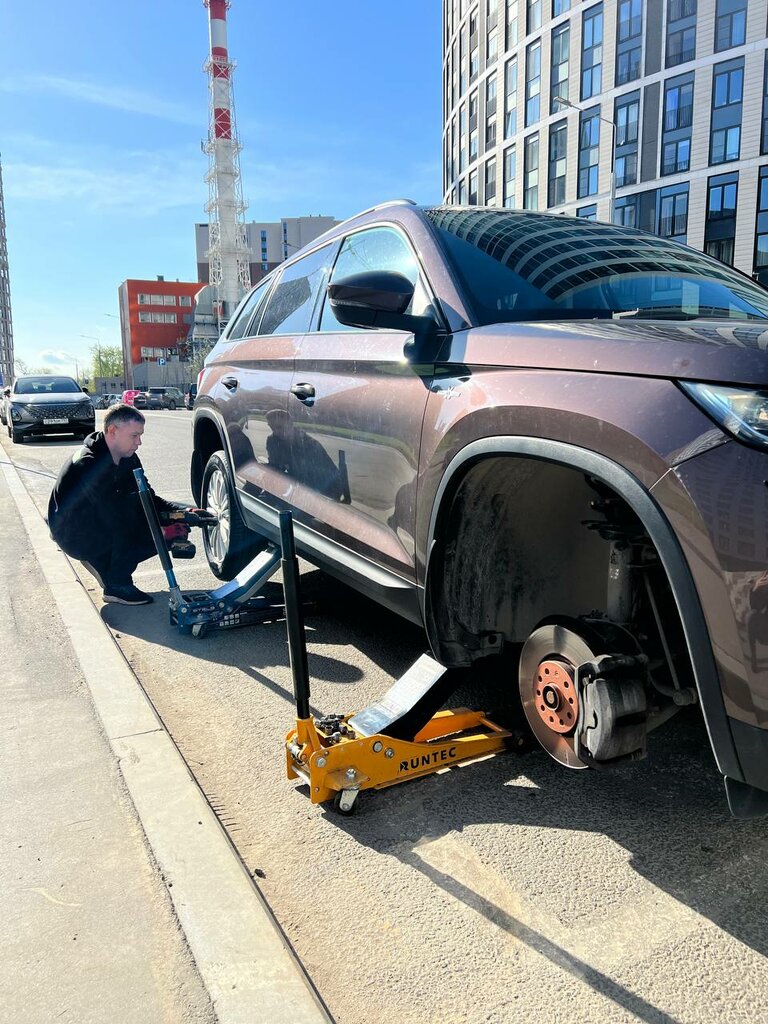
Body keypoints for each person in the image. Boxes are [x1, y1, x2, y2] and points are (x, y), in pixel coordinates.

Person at [48, 403, 205, 605]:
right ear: (113, 431)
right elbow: (113, 518)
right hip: (73, 534)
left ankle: (103, 565)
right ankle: (117, 585)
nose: (139, 442)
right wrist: (163, 532)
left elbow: (147, 497)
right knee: (152, 530)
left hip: (93, 522)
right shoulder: (88, 464)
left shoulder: (127, 457)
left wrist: (183, 512)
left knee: (154, 518)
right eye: (134, 435)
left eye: (140, 435)